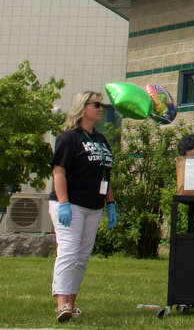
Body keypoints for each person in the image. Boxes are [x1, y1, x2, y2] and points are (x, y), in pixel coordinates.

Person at [48, 91, 117, 323]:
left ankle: (72, 303)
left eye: (101, 105)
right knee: (68, 252)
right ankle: (61, 304)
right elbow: (59, 171)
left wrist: (110, 203)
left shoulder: (101, 140)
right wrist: (64, 203)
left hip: (93, 205)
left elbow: (104, 175)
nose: (100, 108)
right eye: (96, 104)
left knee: (82, 256)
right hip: (70, 203)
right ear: (82, 107)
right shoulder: (69, 138)